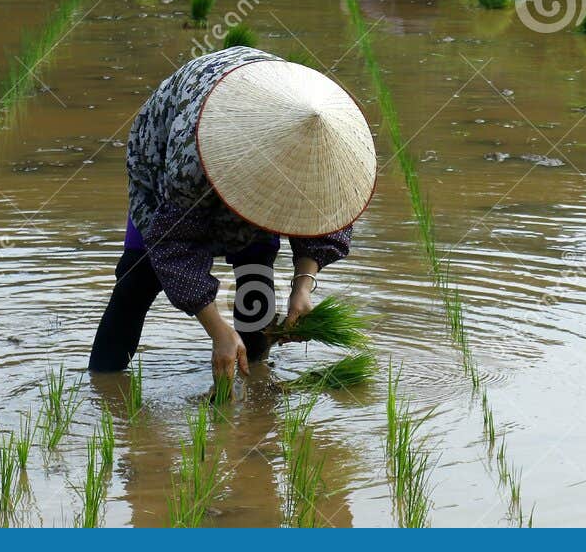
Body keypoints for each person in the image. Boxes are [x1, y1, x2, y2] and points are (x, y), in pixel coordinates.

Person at [89, 47, 377, 383]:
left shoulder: (331, 149)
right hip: (178, 139)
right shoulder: (189, 162)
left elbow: (326, 220)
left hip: (275, 115)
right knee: (138, 276)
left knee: (256, 271)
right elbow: (173, 245)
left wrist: (303, 286)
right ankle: (104, 386)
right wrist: (217, 331)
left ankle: (254, 378)